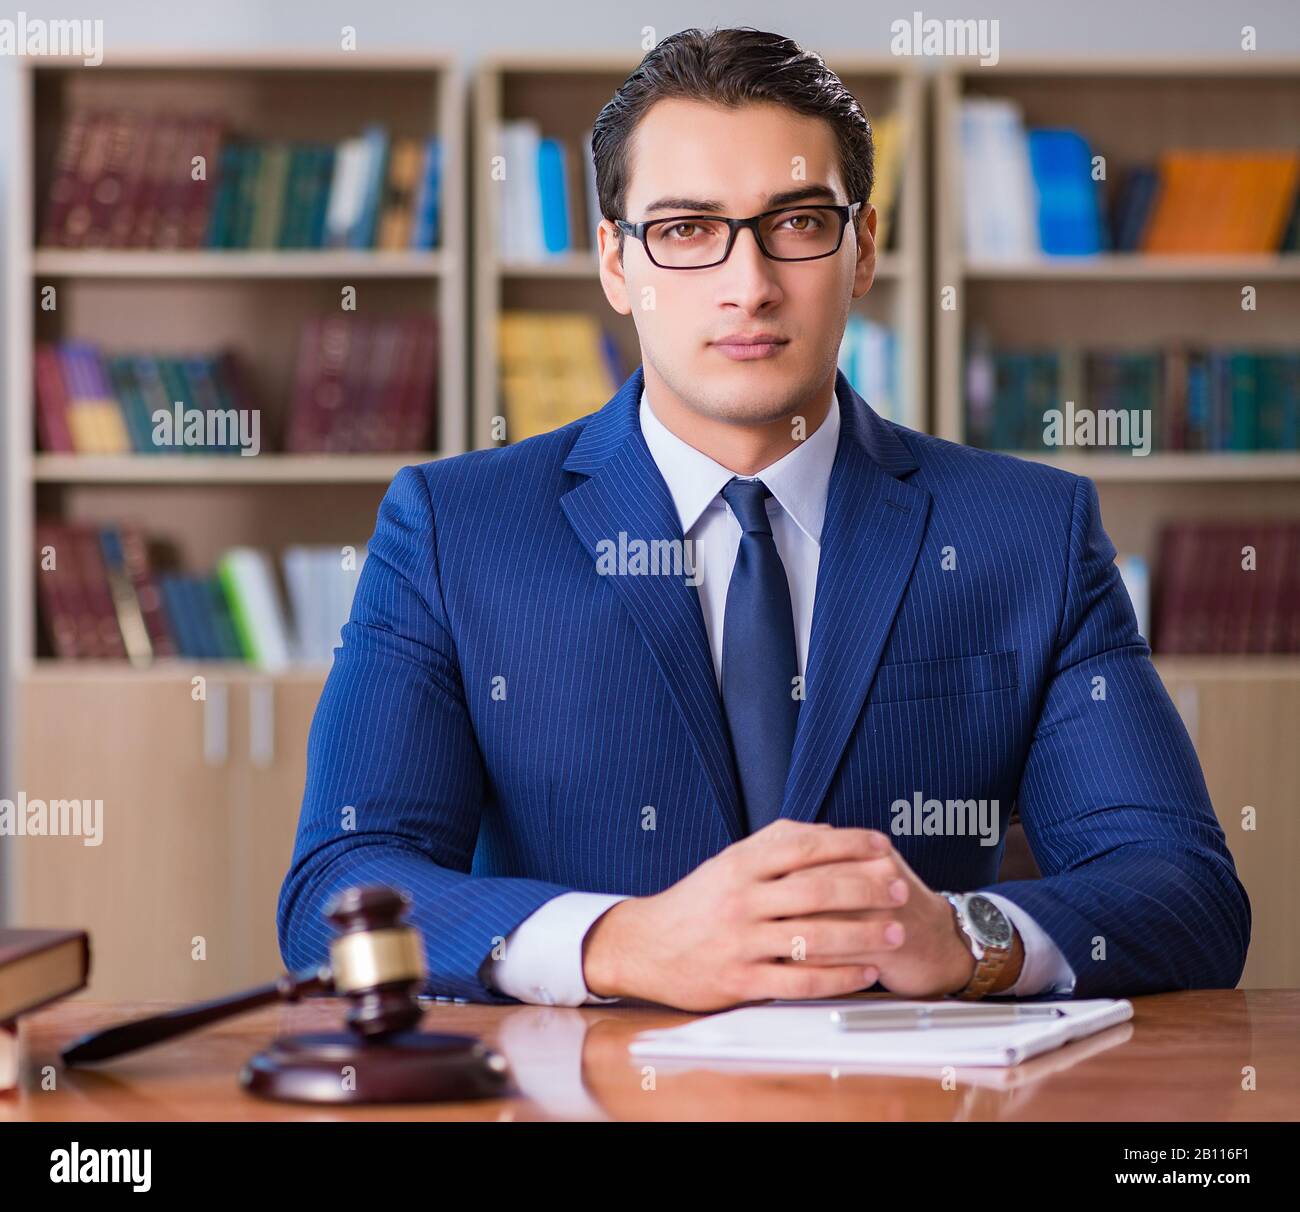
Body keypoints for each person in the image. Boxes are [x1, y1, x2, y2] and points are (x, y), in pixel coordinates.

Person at [278, 27, 1249, 1010]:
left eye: (794, 223)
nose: (748, 284)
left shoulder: (1028, 533)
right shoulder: (455, 532)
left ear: (862, 249)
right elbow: (335, 893)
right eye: (687, 230)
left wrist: (965, 935)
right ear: (616, 263)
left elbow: (1185, 890)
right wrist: (617, 943)